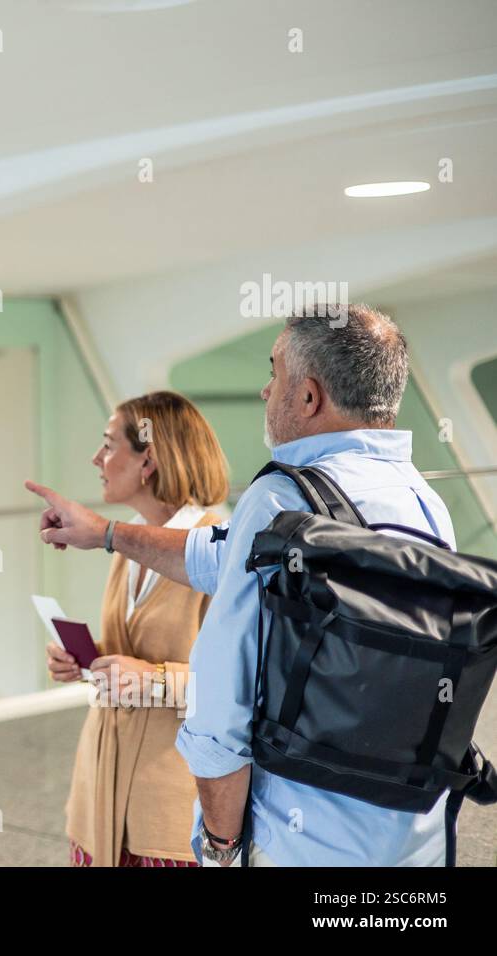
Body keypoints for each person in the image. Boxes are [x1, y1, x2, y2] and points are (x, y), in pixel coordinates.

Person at [27, 304, 455, 866]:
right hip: (409, 829)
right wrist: (107, 533)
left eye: (274, 371)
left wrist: (222, 845)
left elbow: (222, 701)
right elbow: (217, 556)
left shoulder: (282, 500)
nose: (264, 391)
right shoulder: (425, 503)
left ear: (307, 397)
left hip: (302, 834)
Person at [44, 391, 228, 866]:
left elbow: (244, 687)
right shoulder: (129, 542)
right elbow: (138, 649)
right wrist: (89, 657)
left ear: (149, 460)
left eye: (108, 445)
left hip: (167, 808)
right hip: (99, 796)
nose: (96, 458)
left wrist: (152, 680)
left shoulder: (216, 551)